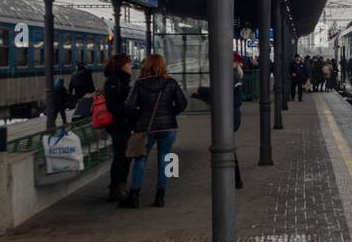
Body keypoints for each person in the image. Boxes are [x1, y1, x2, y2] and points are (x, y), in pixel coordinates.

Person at [120, 54, 187, 209]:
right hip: (168, 127)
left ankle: (134, 196)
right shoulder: (170, 82)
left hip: (146, 127)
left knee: (140, 160)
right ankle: (160, 197)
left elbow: (129, 106)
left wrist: (140, 117)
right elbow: (182, 103)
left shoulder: (139, 84)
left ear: (146, 65)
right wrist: (170, 114)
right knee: (166, 160)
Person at [191, 53, 246, 190]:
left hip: (228, 116)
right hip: (231, 115)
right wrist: (198, 94)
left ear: (233, 63)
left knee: (226, 146)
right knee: (228, 146)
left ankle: (234, 180)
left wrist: (199, 90)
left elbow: (219, 93)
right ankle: (235, 180)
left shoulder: (231, 76)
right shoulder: (234, 75)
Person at [102, 54, 134, 202]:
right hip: (119, 126)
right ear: (122, 65)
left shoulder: (122, 80)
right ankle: (116, 188)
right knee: (121, 157)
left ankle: (120, 185)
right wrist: (128, 112)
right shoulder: (114, 81)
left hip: (124, 125)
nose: (131, 66)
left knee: (125, 157)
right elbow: (113, 105)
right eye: (129, 63)